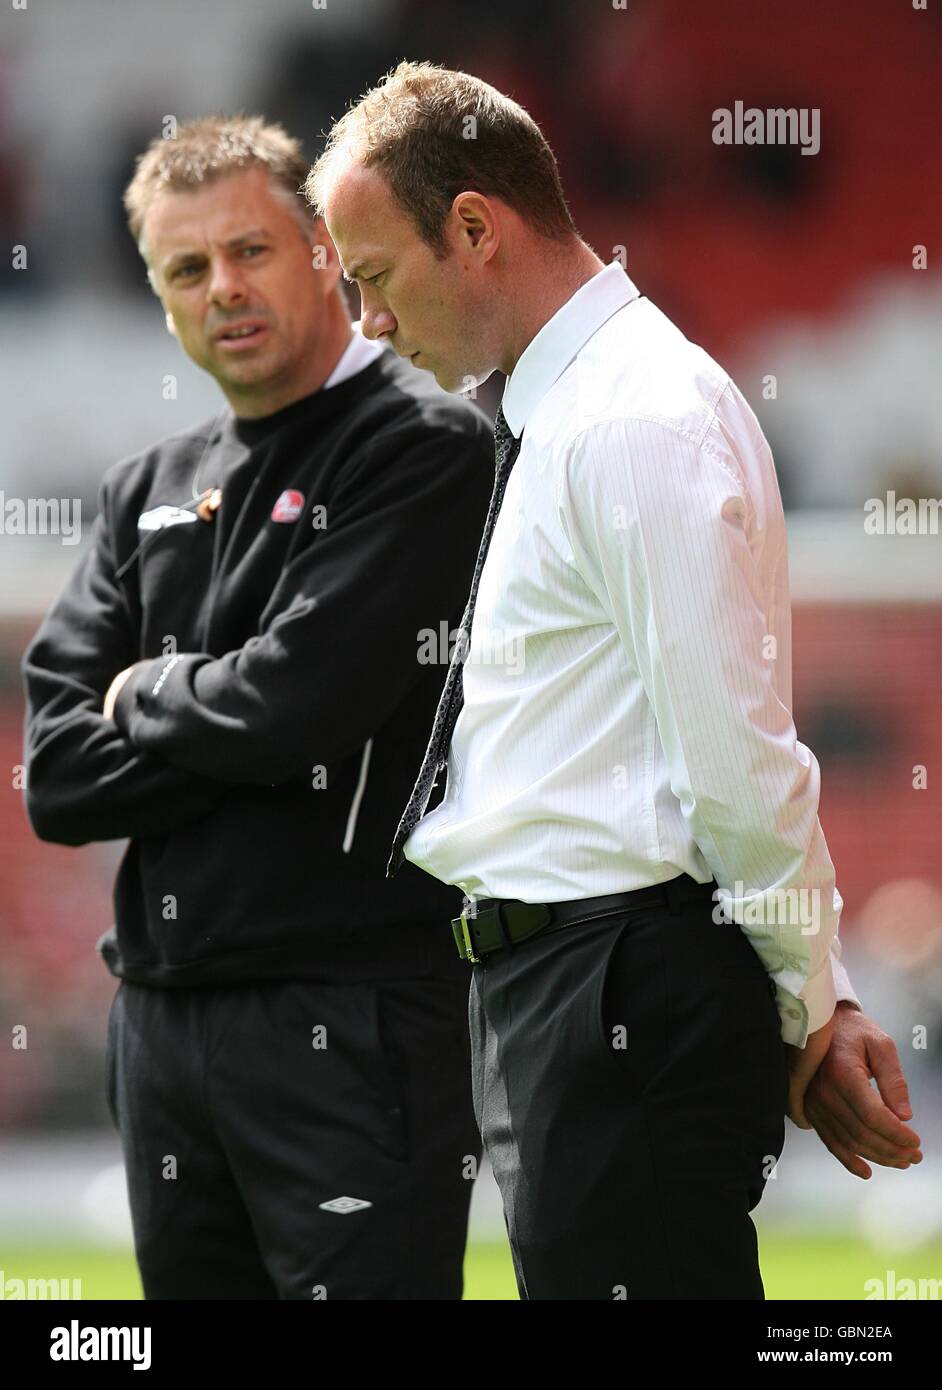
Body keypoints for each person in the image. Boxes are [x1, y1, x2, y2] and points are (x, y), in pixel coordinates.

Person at [307, 61, 924, 1300]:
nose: (367, 324)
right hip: (577, 993)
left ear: (474, 228)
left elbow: (738, 765)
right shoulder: (573, 410)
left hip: (615, 993)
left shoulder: (628, 418)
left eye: (373, 279)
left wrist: (815, 1005)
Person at [21, 115, 494, 1300]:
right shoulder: (145, 490)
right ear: (161, 294)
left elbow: (298, 709)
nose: (222, 287)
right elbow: (56, 777)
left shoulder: (427, 447)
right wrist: (230, 712)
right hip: (161, 1023)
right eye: (188, 268)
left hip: (355, 1015)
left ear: (326, 251)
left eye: (252, 250)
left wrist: (145, 690)